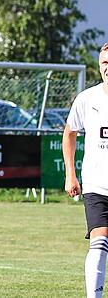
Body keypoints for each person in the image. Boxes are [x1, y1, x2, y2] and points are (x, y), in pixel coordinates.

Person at [64, 42, 108, 298]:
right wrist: (70, 173)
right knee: (99, 242)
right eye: (104, 63)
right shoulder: (87, 99)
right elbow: (69, 133)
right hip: (97, 187)